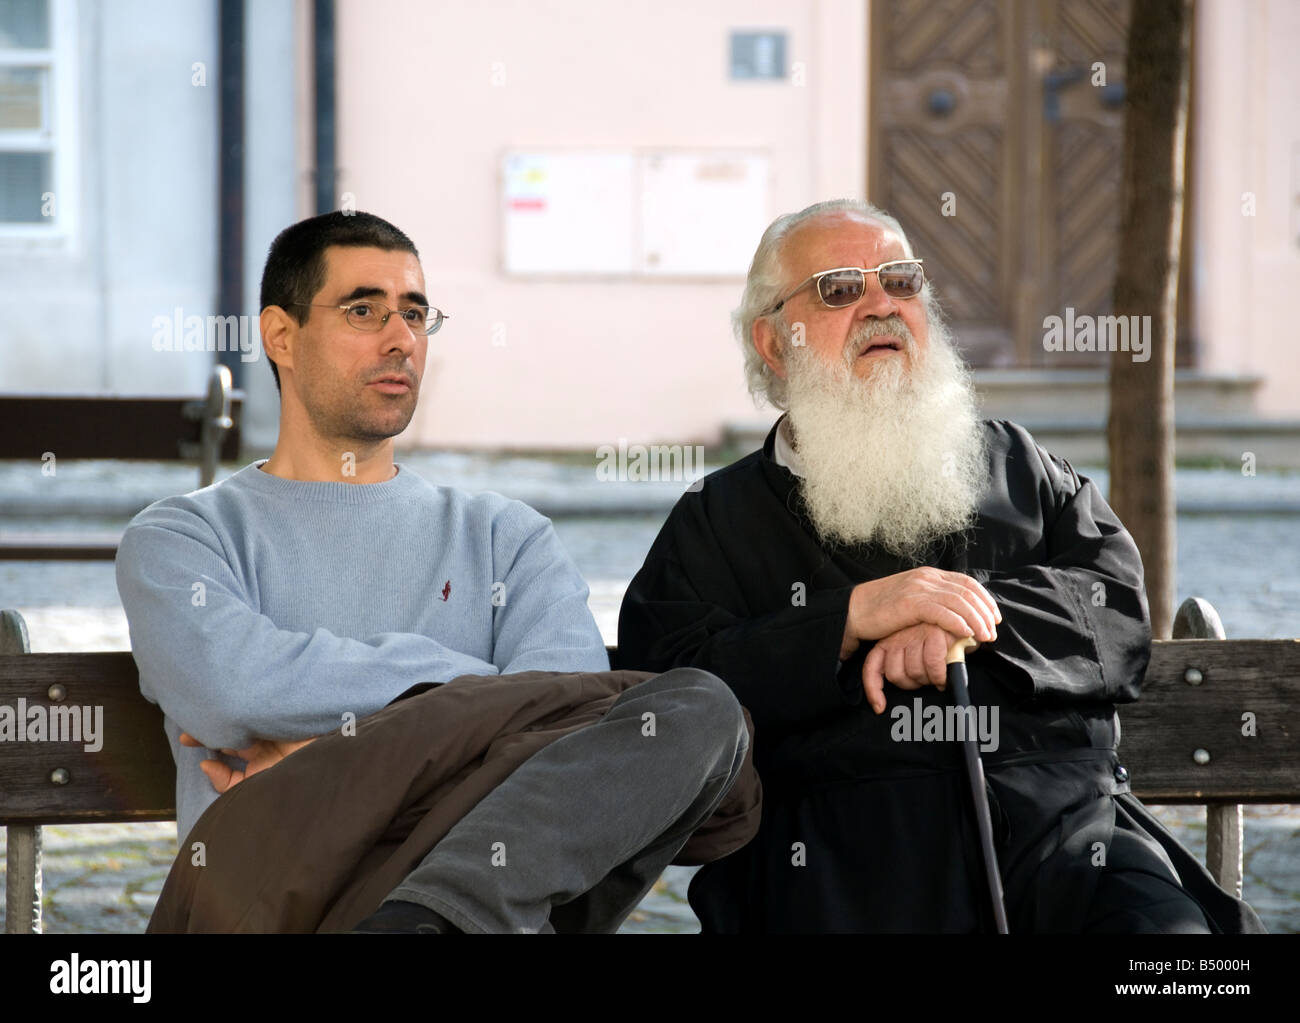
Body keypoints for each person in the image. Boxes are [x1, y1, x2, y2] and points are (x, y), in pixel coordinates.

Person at [616, 198, 1266, 933]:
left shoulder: (1016, 464)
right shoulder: (718, 518)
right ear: (774, 342)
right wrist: (850, 619)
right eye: (840, 288)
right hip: (840, 863)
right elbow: (666, 689)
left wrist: (958, 619)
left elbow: (1113, 609)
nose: (881, 306)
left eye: (901, 281)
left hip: (1070, 843)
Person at [115, 210, 754, 934]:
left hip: (484, 898)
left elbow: (569, 724)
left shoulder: (505, 537)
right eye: (364, 310)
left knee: (703, 709)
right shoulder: (181, 538)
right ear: (281, 335)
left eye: (415, 314)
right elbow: (231, 688)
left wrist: (331, 759)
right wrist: (464, 703)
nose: (401, 339)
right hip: (274, 900)